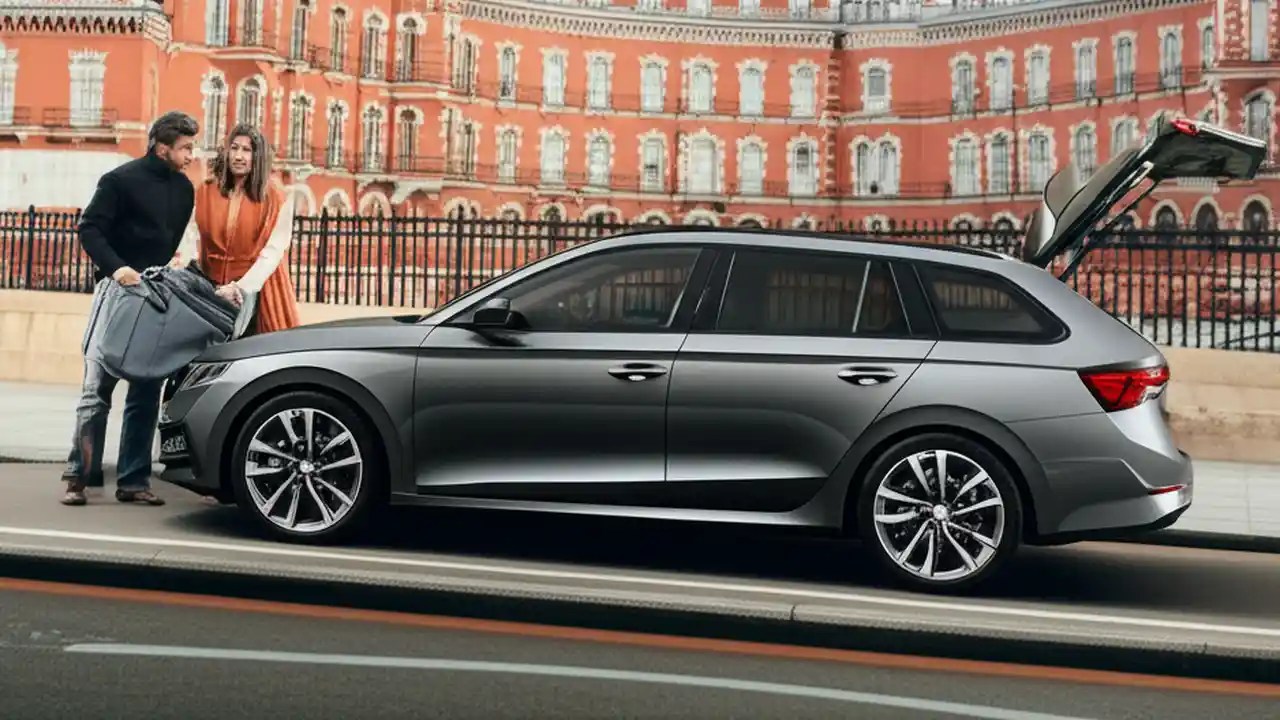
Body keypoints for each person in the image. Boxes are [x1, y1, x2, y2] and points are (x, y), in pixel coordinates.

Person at [60, 111, 200, 507]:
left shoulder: (185, 190)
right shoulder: (119, 181)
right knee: (96, 390)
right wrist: (118, 268)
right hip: (115, 294)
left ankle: (133, 481)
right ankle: (79, 477)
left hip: (154, 298)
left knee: (146, 390)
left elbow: (168, 240)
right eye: (186, 147)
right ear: (162, 147)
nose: (192, 154)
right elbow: (89, 228)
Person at [171, 122, 300, 335]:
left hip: (254, 291)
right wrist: (183, 260)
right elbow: (193, 234)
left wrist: (241, 288)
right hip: (210, 287)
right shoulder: (206, 190)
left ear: (257, 157)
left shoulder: (276, 197)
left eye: (246, 150)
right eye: (235, 148)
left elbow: (273, 251)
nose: (238, 156)